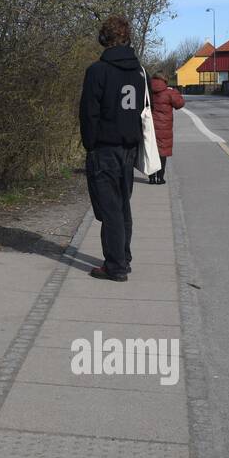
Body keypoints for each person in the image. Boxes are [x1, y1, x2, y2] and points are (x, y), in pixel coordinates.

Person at [78, 15, 144, 282]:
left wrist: (90, 144)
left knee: (110, 209)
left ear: (104, 38)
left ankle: (115, 265)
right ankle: (123, 257)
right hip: (129, 146)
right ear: (127, 37)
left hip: (104, 147)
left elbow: (88, 113)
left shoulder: (98, 70)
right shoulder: (139, 71)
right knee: (123, 205)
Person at [147, 72, 184, 184]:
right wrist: (175, 92)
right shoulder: (169, 92)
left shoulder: (147, 90)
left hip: (150, 126)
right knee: (162, 152)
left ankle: (151, 178)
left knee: (151, 151)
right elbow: (180, 104)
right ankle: (160, 178)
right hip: (164, 128)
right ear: (165, 80)